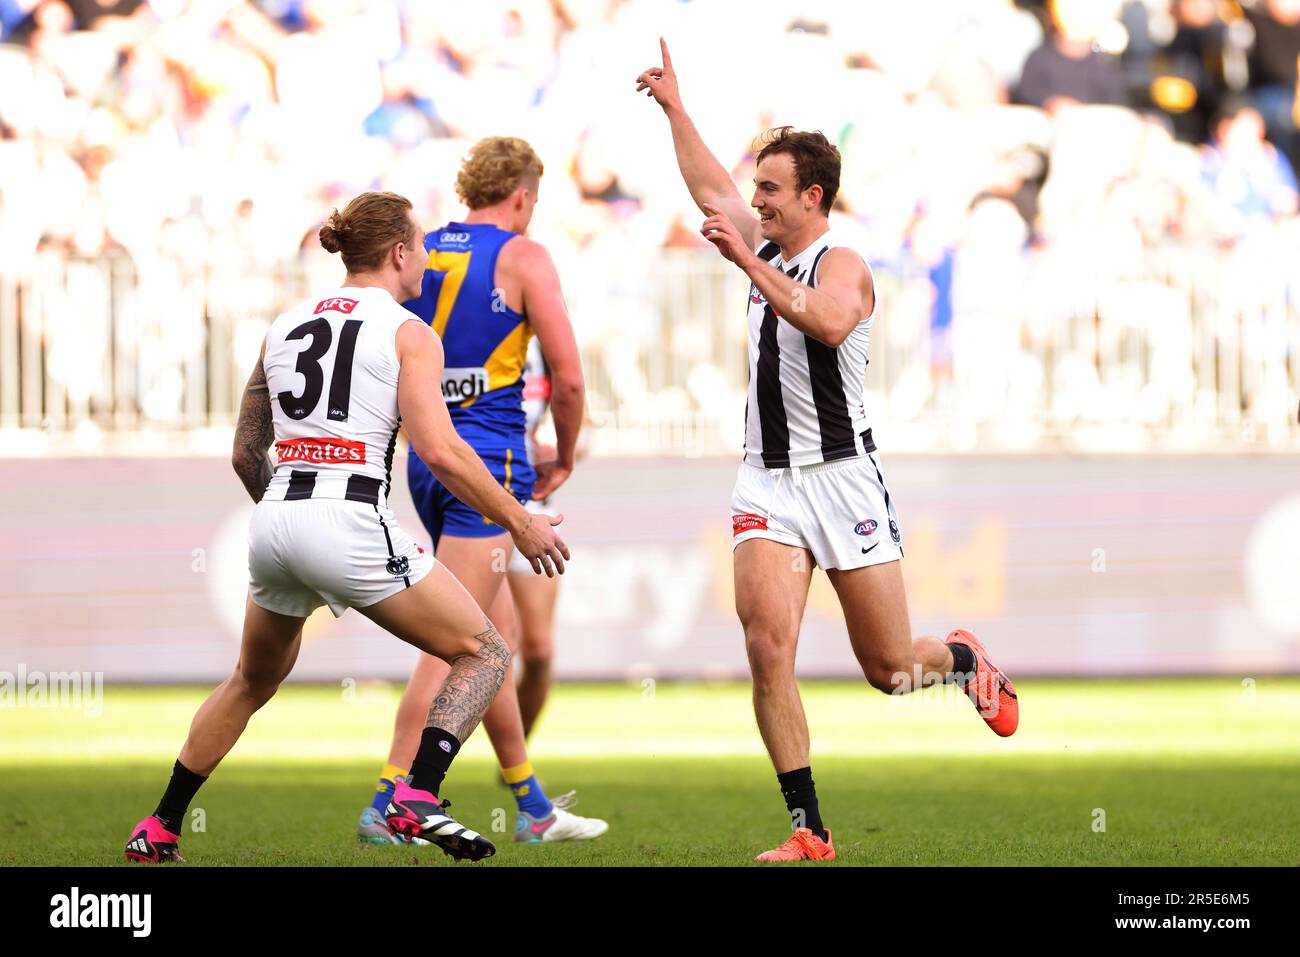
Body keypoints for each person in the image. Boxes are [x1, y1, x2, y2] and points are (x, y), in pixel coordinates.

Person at [637, 39, 1019, 862]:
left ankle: (957, 657)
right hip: (765, 480)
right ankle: (808, 829)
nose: (755, 202)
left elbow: (830, 321)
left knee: (888, 667)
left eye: (770, 191)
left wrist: (744, 255)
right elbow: (707, 184)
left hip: (844, 480)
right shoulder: (765, 240)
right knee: (767, 645)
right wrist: (675, 109)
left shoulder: (839, 259)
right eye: (757, 191)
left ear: (813, 196)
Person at [124, 190, 569, 863]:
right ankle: (417, 794)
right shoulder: (408, 331)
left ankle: (158, 826)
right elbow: (443, 452)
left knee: (250, 679)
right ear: (397, 252)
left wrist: (289, 521)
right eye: (420, 247)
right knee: (484, 652)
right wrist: (521, 520)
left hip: (276, 519)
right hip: (352, 515)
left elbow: (246, 450)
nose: (426, 259)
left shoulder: (284, 324)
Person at [357, 137, 607, 846]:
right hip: (491, 463)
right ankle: (390, 799)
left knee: (493, 638)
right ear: (524, 196)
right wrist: (557, 457)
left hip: (423, 459)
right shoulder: (523, 255)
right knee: (455, 644)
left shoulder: (418, 249)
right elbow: (570, 376)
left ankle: (531, 805)